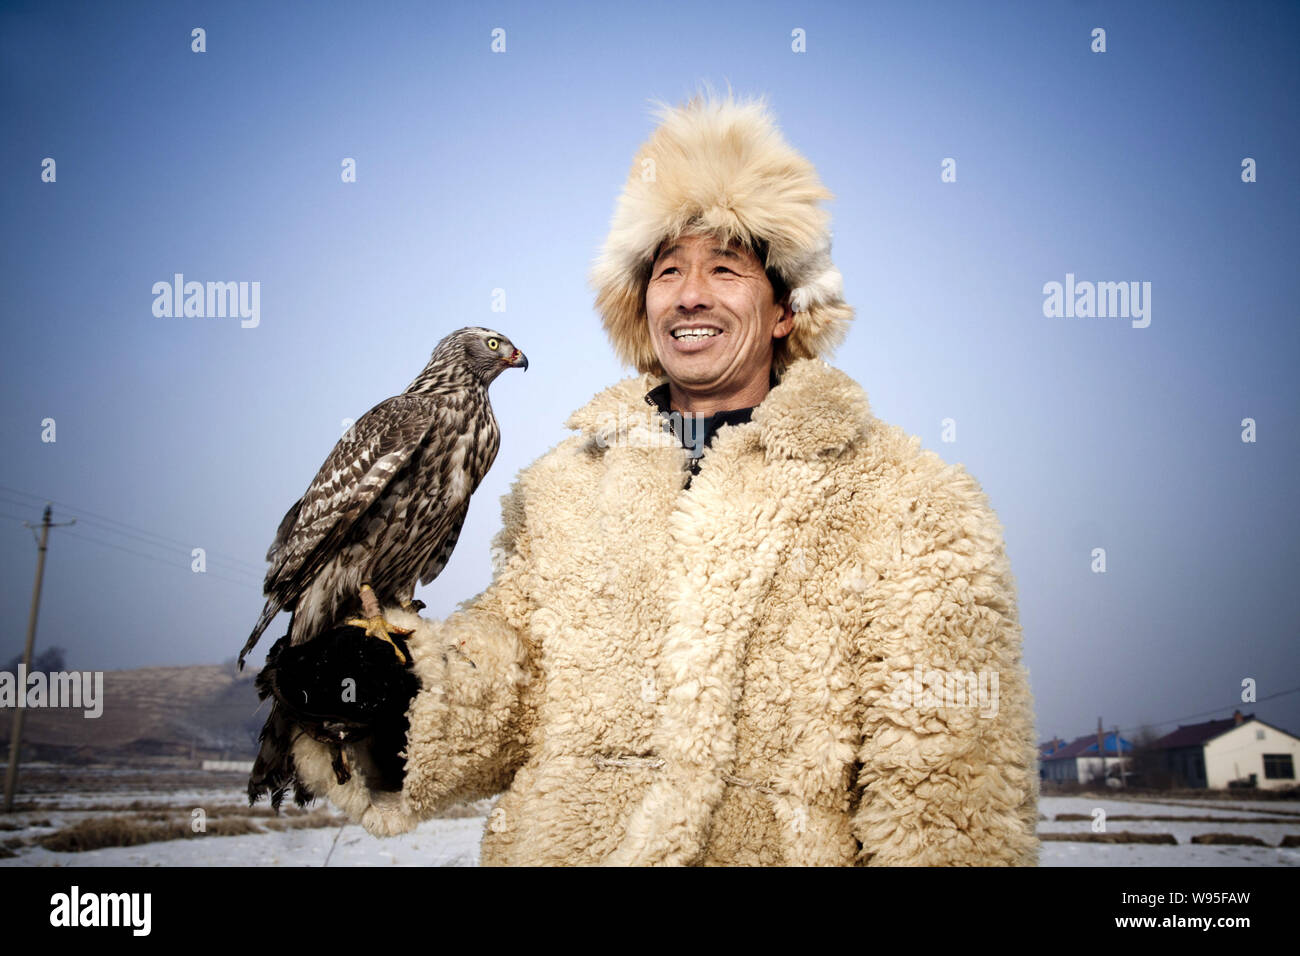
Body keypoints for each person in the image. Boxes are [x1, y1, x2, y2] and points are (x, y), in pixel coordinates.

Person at [281, 91, 1040, 866]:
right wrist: (390, 686)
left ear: (785, 309)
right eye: (667, 269)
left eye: (726, 267)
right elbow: (512, 692)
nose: (690, 293)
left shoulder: (910, 502)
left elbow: (952, 803)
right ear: (642, 306)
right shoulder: (562, 489)